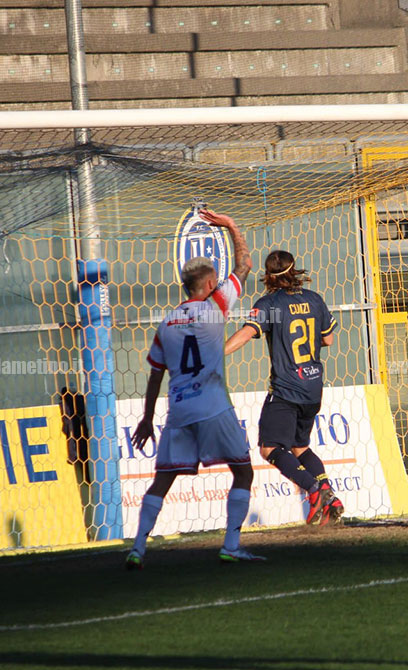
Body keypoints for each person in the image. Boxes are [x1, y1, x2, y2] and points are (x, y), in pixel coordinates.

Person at [126, 209, 263, 568]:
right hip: (214, 406)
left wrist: (146, 419)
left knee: (163, 479)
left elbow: (156, 374)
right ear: (207, 286)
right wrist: (232, 224)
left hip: (180, 410)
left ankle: (137, 548)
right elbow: (246, 264)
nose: (220, 284)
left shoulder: (166, 323)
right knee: (243, 472)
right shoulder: (215, 307)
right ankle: (231, 546)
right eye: (216, 280)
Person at [224, 250, 344, 525]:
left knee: (270, 448)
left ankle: (314, 490)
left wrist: (217, 354)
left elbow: (246, 332)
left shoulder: (269, 304)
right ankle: (329, 494)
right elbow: (329, 341)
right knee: (300, 446)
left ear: (267, 276)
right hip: (313, 387)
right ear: (295, 270)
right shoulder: (315, 299)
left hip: (287, 390)